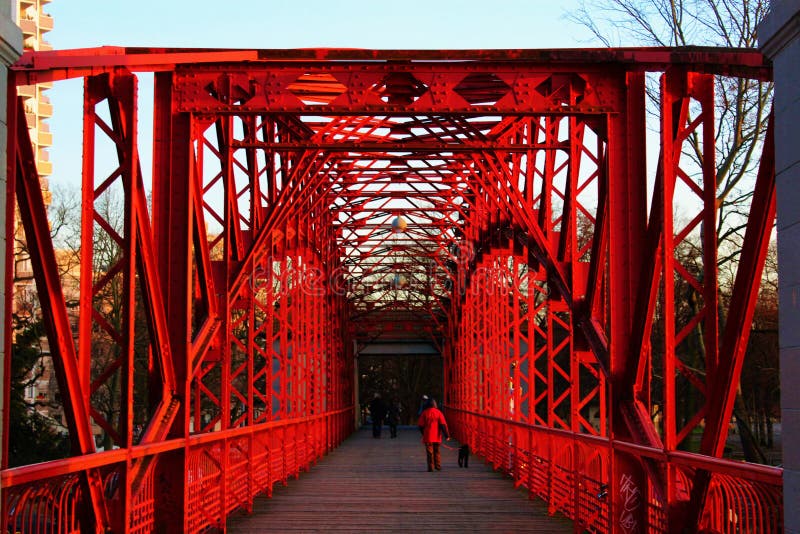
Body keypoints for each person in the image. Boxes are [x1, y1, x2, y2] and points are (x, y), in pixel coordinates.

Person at [417, 398, 450, 471]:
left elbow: (420, 425)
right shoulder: (439, 413)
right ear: (435, 404)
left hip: (428, 436)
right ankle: (438, 466)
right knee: (437, 451)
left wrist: (423, 433)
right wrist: (446, 436)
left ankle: (430, 467)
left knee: (429, 453)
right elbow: (443, 425)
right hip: (437, 436)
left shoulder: (425, 413)